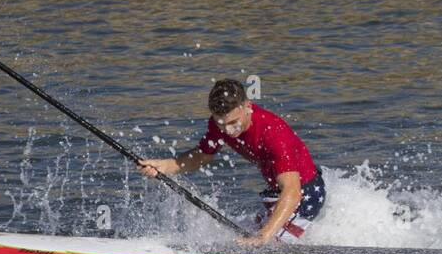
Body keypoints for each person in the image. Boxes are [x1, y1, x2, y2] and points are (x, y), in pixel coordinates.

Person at [137, 79, 325, 245]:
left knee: (268, 245)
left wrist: (263, 236)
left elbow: (292, 192)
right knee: (243, 237)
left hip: (304, 194)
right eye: (221, 124)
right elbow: (202, 156)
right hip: (276, 192)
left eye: (233, 122)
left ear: (247, 105)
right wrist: (164, 166)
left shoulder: (273, 132)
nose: (227, 131)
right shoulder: (220, 124)